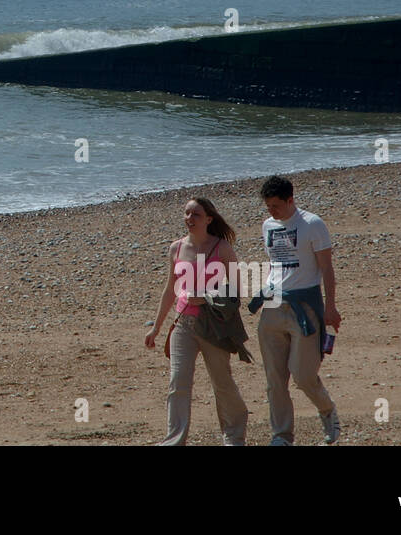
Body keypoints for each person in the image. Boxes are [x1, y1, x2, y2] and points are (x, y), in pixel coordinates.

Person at [145, 197, 249, 445]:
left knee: (222, 383)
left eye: (196, 215)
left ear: (209, 219)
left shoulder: (221, 248)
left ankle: (234, 436)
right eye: (187, 213)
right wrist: (157, 327)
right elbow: (170, 289)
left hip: (214, 326)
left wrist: (206, 297)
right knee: (178, 382)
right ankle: (174, 440)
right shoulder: (176, 248)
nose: (189, 219)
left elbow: (237, 290)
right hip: (183, 325)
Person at [251, 175, 341, 445]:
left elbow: (326, 268)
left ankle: (327, 410)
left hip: (305, 307)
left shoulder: (312, 224)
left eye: (276, 206)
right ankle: (282, 435)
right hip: (273, 305)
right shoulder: (268, 225)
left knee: (302, 374)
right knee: (274, 379)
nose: (271, 211)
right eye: (268, 206)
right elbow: (275, 264)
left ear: (291, 200)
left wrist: (330, 306)